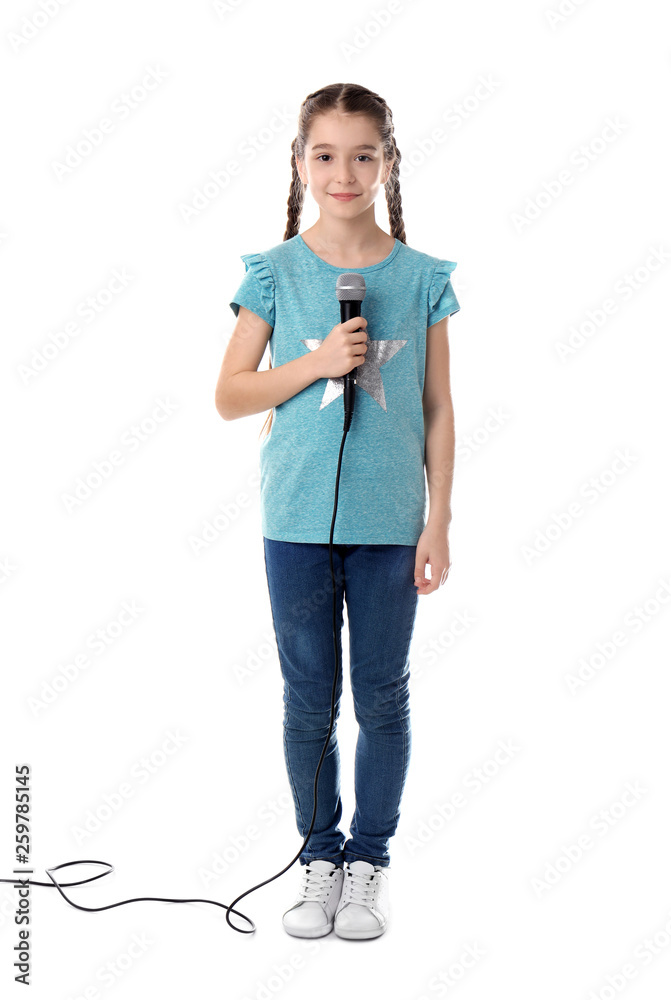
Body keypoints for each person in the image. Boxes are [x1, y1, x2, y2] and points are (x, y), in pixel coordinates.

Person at [215, 83, 460, 941]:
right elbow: (230, 395)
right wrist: (318, 360)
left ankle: (368, 864)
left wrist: (440, 519)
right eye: (325, 155)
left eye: (363, 155)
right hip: (294, 522)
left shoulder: (423, 278)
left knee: (381, 696)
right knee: (306, 696)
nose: (344, 172)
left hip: (390, 522)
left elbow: (436, 406)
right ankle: (317, 856)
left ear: (388, 162)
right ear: (299, 162)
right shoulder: (273, 273)